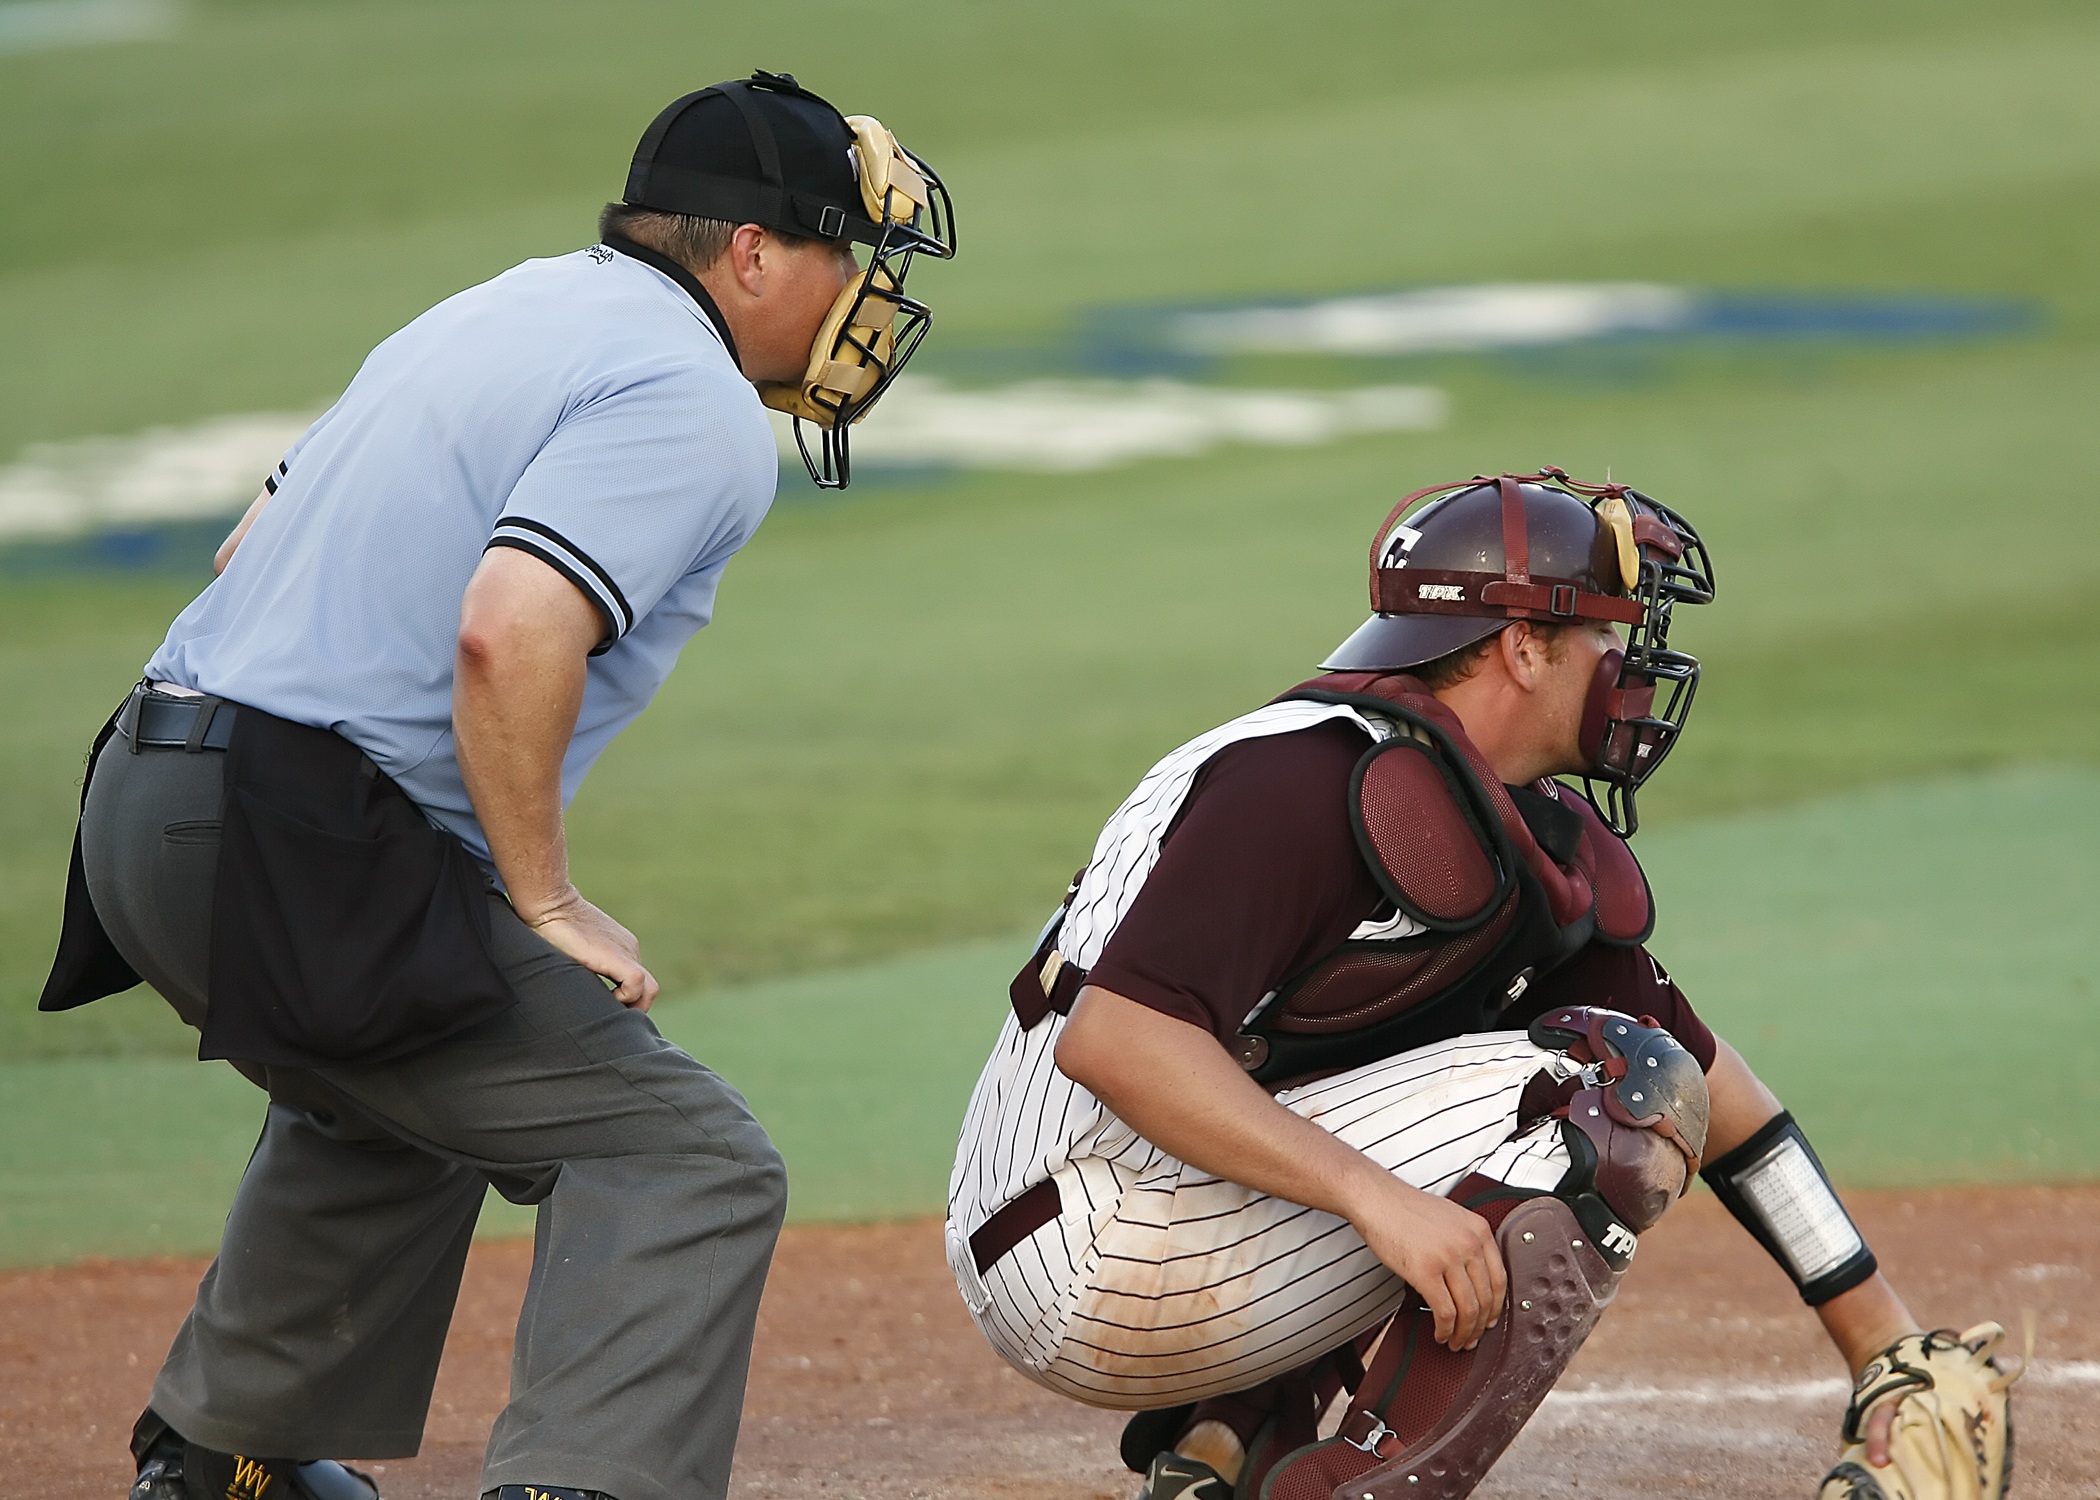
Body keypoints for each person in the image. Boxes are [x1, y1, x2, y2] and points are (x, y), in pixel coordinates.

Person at [39, 70, 953, 1500]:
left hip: (146, 800)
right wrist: (542, 894)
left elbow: (245, 546)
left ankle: (229, 1462)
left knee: (418, 1078)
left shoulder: (503, 308)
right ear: (755, 252)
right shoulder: (690, 395)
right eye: (847, 252)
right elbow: (509, 625)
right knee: (686, 1163)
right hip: (287, 826)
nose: (862, 295)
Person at [947, 471, 2019, 1500]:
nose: (1624, 664)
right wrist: (1382, 1201)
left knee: (1625, 1070)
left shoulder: (1498, 811)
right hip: (1077, 1235)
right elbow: (1118, 1041)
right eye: (1601, 633)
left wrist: (1883, 1340)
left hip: (1152, 1209)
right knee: (1592, 1093)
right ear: (1520, 649)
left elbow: (1703, 1081)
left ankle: (1230, 1437)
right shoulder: (1308, 778)